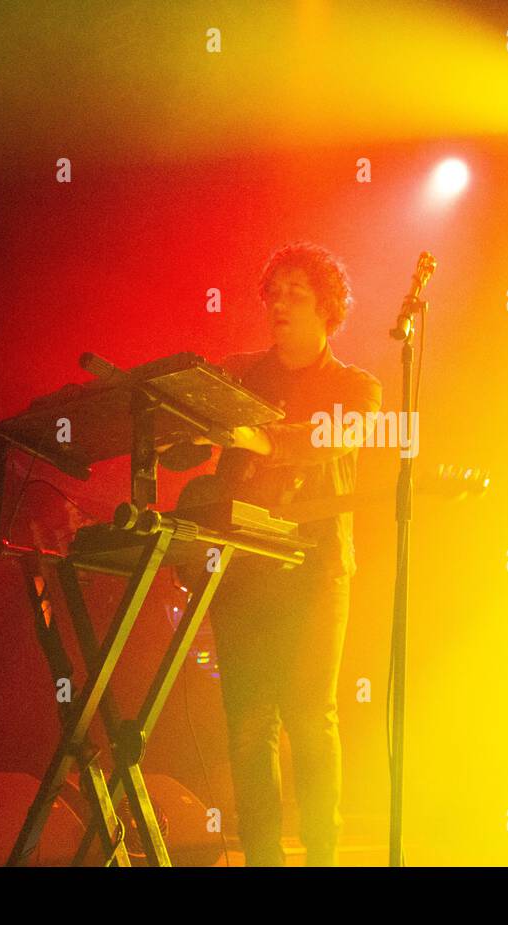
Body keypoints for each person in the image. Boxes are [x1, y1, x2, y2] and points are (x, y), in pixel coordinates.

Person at [163, 242, 382, 866]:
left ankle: (321, 857)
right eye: (273, 291)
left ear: (326, 308)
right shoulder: (237, 371)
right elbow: (191, 447)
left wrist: (255, 435)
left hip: (316, 571)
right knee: (249, 724)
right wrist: (167, 428)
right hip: (242, 570)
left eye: (295, 292)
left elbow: (331, 438)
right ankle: (263, 861)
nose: (279, 302)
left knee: (312, 720)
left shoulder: (354, 385)